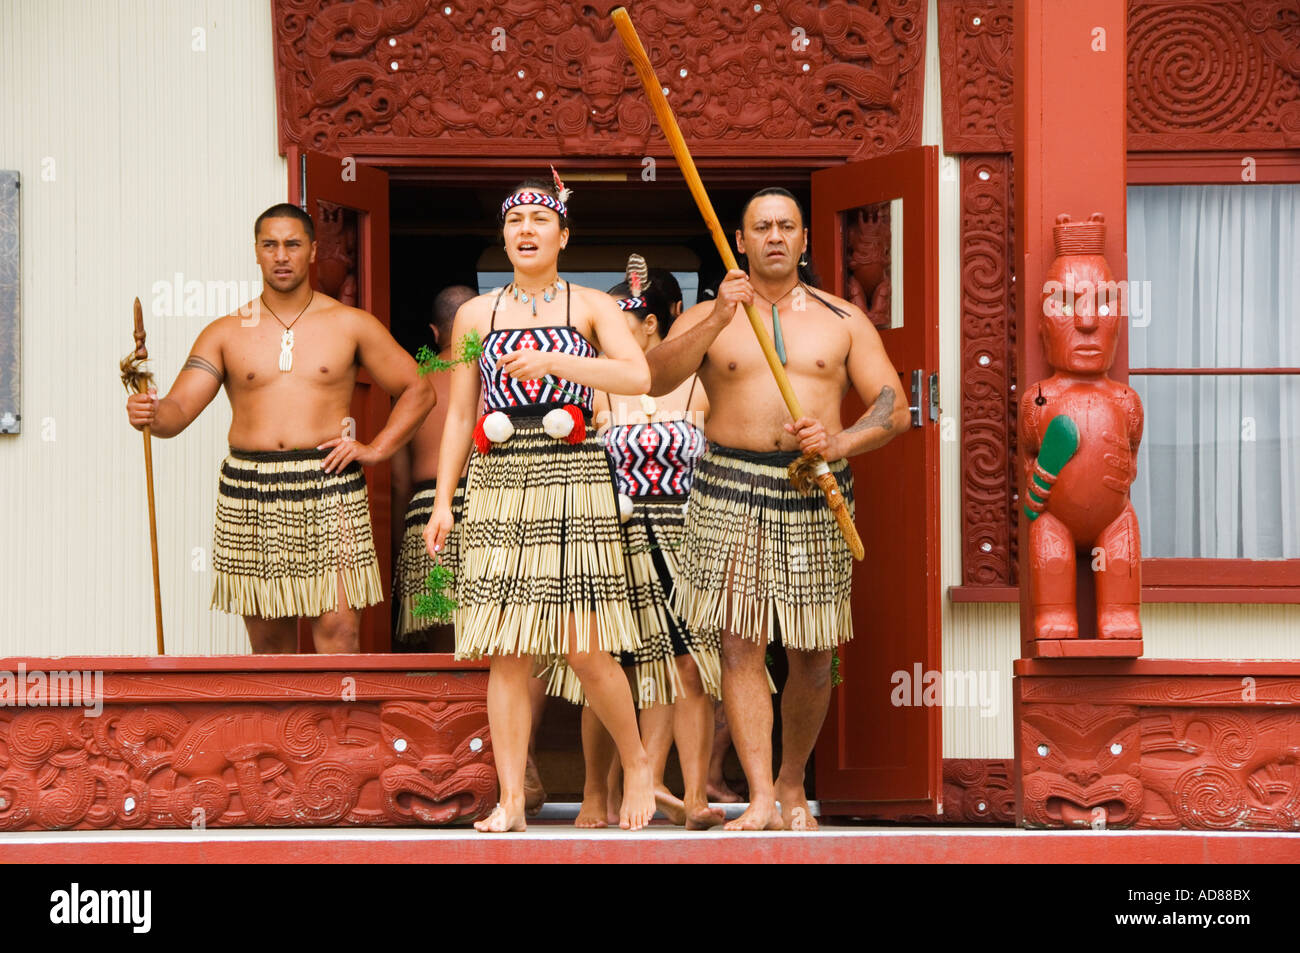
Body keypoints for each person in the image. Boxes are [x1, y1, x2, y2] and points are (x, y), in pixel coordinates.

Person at [645, 187, 911, 830]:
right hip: (729, 484)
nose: (773, 236)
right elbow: (653, 379)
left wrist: (840, 441)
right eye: (760, 227)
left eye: (786, 226)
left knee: (814, 650)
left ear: (804, 239)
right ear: (739, 240)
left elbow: (894, 408)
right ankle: (761, 795)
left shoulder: (843, 318)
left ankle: (793, 785)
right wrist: (715, 318)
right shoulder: (711, 315)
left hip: (813, 487)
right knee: (740, 642)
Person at [423, 175, 656, 832]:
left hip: (572, 471)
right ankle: (511, 799)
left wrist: (562, 363)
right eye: (515, 219)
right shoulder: (475, 316)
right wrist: (445, 500)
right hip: (498, 479)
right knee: (507, 647)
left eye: (539, 219)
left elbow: (637, 374)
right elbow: (461, 409)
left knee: (582, 643)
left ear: (563, 235)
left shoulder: (589, 307)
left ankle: (636, 761)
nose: (526, 229)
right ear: (504, 235)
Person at [125, 203, 433, 653]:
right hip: (250, 488)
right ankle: (289, 728)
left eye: (292, 244)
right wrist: (150, 412)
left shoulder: (349, 324)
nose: (281, 255)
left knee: (339, 630)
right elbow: (177, 413)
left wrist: (378, 447)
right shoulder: (226, 332)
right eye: (270, 245)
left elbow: (418, 390)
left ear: (312, 250)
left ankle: (337, 726)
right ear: (256, 252)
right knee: (270, 643)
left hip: (329, 485)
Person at [558, 256, 723, 830]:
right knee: (608, 669)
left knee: (688, 666)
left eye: (618, 324)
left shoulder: (700, 386)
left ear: (648, 324)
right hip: (613, 539)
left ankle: (693, 795)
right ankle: (592, 794)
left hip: (685, 539)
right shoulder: (597, 390)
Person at [391, 282, 549, 815]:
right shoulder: (505, 376)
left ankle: (455, 761)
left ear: (435, 332)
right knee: (516, 641)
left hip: (425, 519)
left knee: (448, 644)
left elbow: (395, 480)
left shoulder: (418, 377)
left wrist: (398, 539)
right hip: (492, 510)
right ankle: (518, 764)